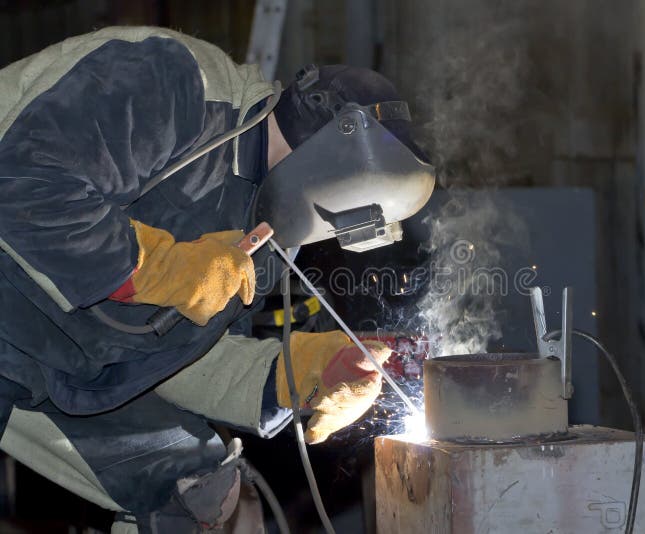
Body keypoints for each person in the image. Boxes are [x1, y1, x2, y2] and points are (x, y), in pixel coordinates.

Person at [0, 26, 428, 532]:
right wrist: (157, 268)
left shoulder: (266, 238)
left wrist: (300, 372)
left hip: (45, 359)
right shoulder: (173, 80)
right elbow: (27, 184)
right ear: (335, 158)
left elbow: (179, 361)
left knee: (195, 494)